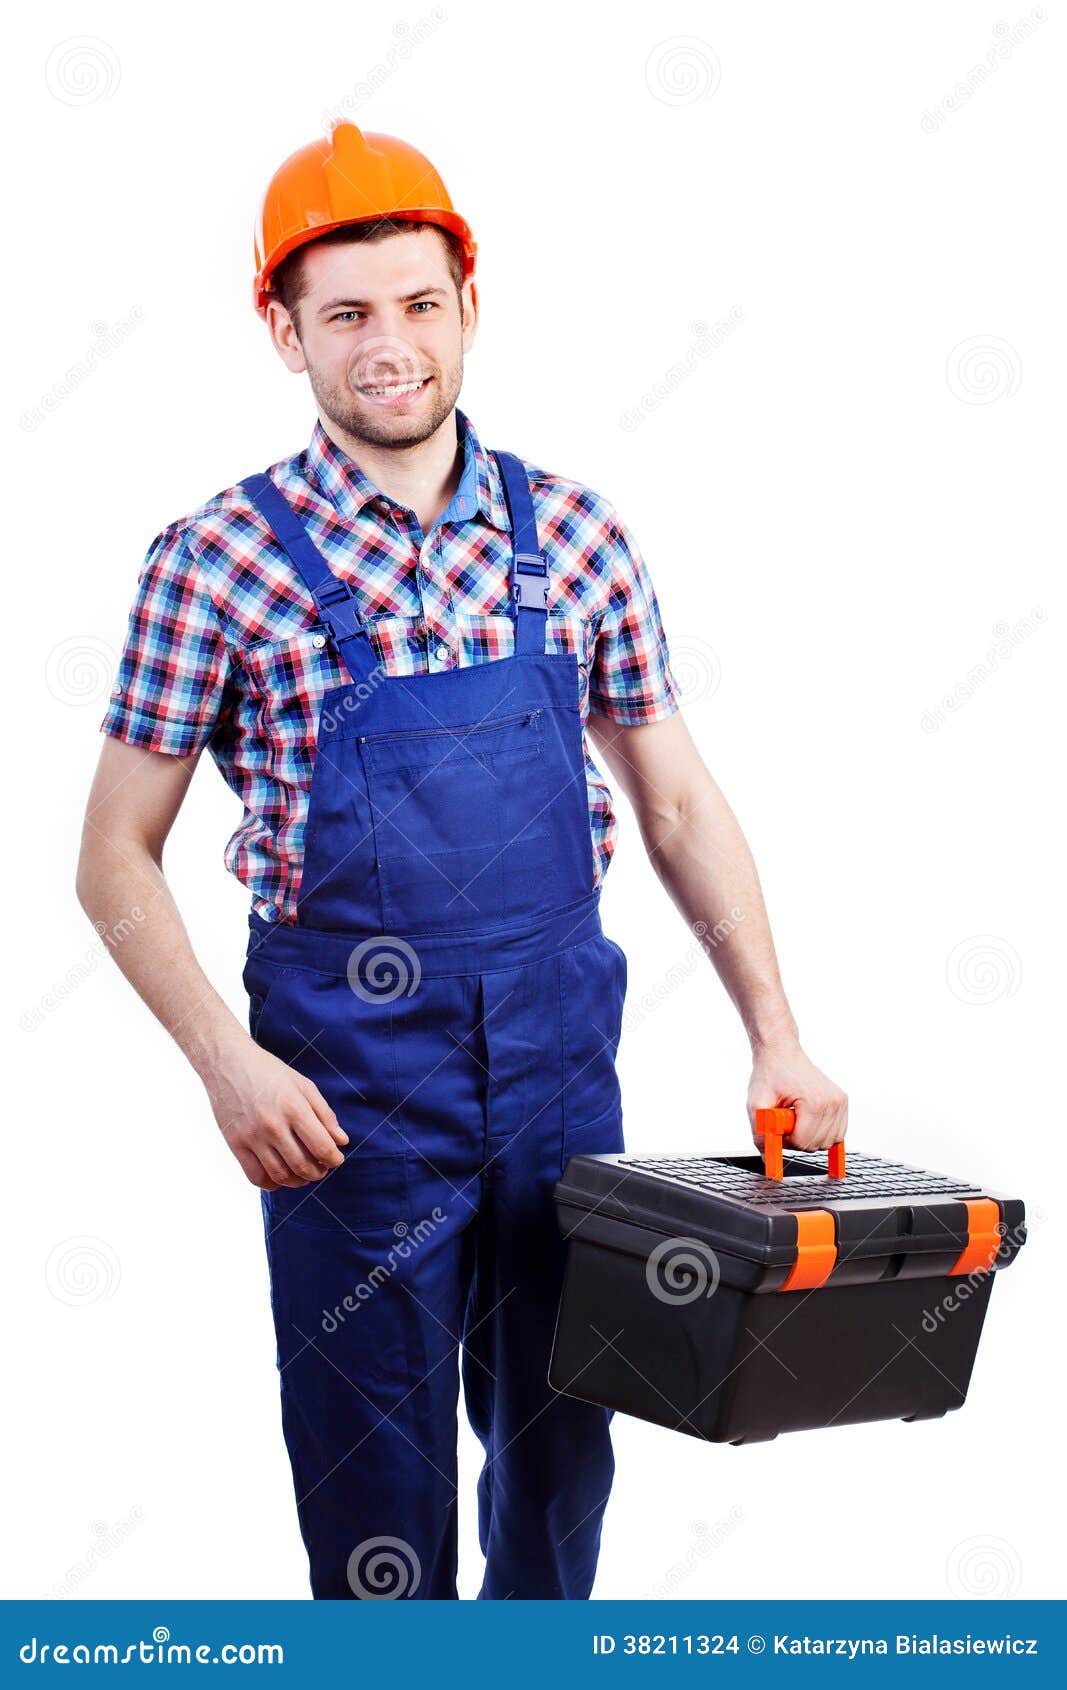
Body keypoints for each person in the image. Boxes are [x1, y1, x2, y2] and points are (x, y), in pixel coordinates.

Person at [76, 122, 847, 1601]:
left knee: (568, 1461)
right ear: (283, 329)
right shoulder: (216, 560)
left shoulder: (577, 534)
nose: (391, 343)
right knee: (378, 1489)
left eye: (419, 303)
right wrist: (227, 1064)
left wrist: (776, 1030)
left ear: (468, 305)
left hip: (564, 1068)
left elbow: (676, 805)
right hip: (348, 1094)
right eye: (348, 312)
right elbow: (114, 851)